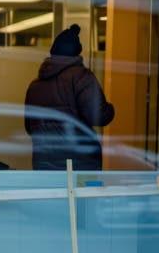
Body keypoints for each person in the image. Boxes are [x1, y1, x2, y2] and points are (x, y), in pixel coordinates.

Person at [24, 24, 115, 170]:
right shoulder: (82, 77)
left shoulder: (35, 85)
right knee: (81, 187)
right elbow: (99, 116)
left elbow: (30, 128)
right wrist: (110, 109)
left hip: (44, 161)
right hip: (79, 162)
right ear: (76, 53)